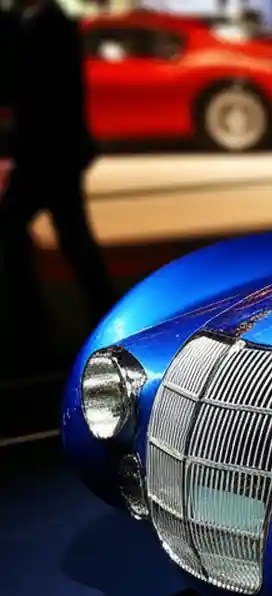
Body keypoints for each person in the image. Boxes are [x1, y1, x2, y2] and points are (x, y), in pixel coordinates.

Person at [0, 0, 113, 366]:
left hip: (49, 152)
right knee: (73, 239)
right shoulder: (38, 23)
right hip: (49, 153)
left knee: (15, 231)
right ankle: (97, 312)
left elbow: (35, 88)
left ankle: (31, 326)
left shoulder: (48, 26)